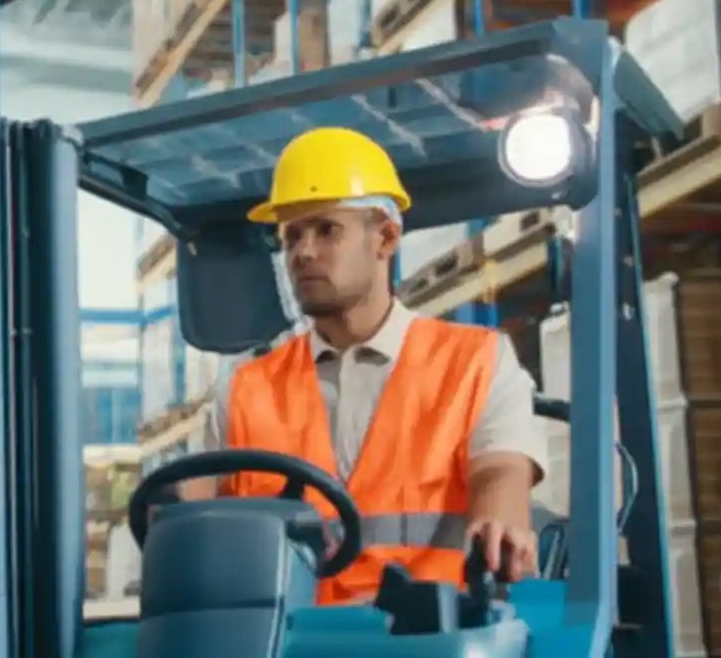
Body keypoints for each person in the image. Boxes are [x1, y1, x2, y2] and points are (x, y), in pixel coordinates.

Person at [177, 126, 548, 606]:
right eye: (291, 236)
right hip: (290, 643)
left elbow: (500, 469)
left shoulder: (475, 361)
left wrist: (501, 517)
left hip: (429, 640)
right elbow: (194, 499)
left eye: (327, 230)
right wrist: (170, 515)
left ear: (386, 238)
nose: (303, 252)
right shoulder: (246, 389)